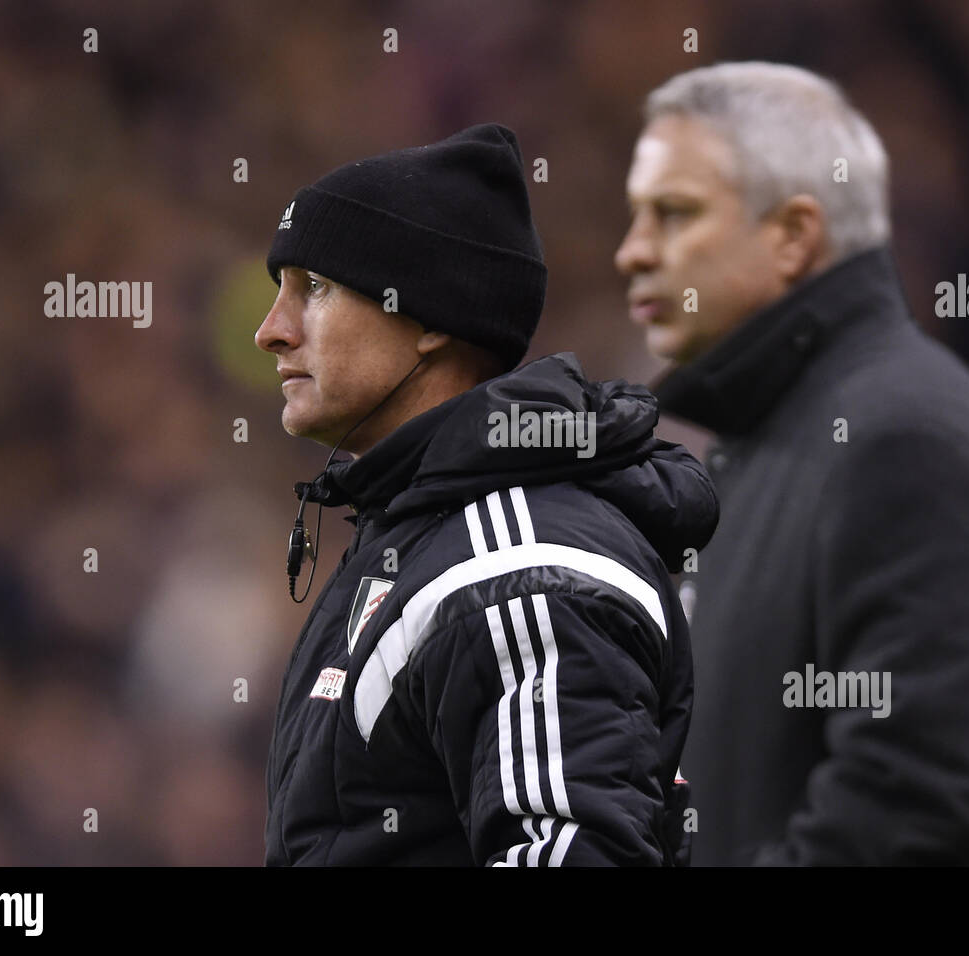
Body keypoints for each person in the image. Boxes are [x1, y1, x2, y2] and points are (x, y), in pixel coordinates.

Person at [614, 62, 969, 865]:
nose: (632, 253)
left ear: (793, 235)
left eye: (672, 215)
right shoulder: (773, 438)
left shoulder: (904, 439)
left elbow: (918, 797)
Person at [255, 123, 717, 866]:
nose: (270, 332)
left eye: (314, 289)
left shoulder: (516, 568)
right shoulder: (419, 536)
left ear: (430, 320)